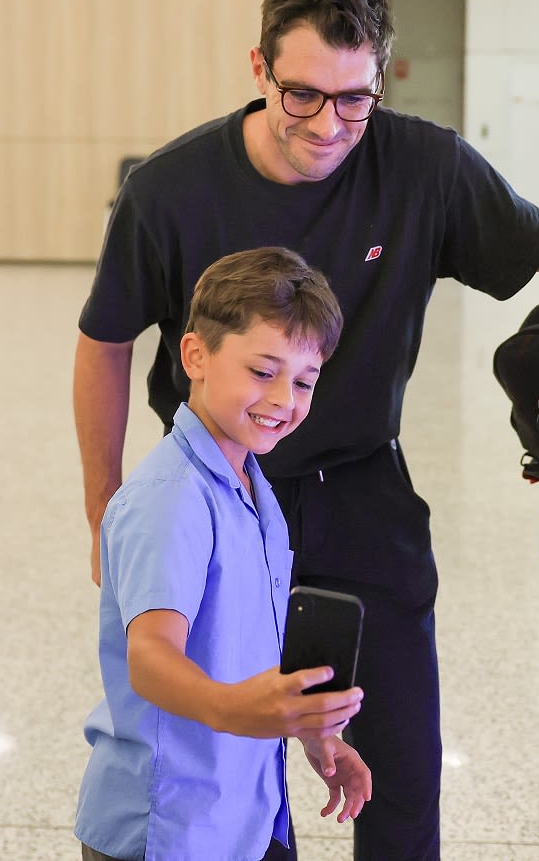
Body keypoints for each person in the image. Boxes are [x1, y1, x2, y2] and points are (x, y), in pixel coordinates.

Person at [73, 0, 539, 861]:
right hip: (226, 489)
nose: (328, 124)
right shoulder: (170, 191)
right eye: (302, 95)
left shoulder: (420, 164)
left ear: (380, 80)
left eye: (354, 100)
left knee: (393, 753)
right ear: (259, 69)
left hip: (360, 488)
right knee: (221, 738)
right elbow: (105, 343)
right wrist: (104, 508)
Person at [75, 248, 371, 861]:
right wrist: (236, 711)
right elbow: (151, 657)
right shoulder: (171, 500)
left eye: (305, 381)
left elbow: (245, 645)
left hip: (246, 813)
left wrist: (311, 733)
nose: (285, 399)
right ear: (196, 356)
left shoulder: (252, 487)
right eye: (263, 371)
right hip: (170, 830)